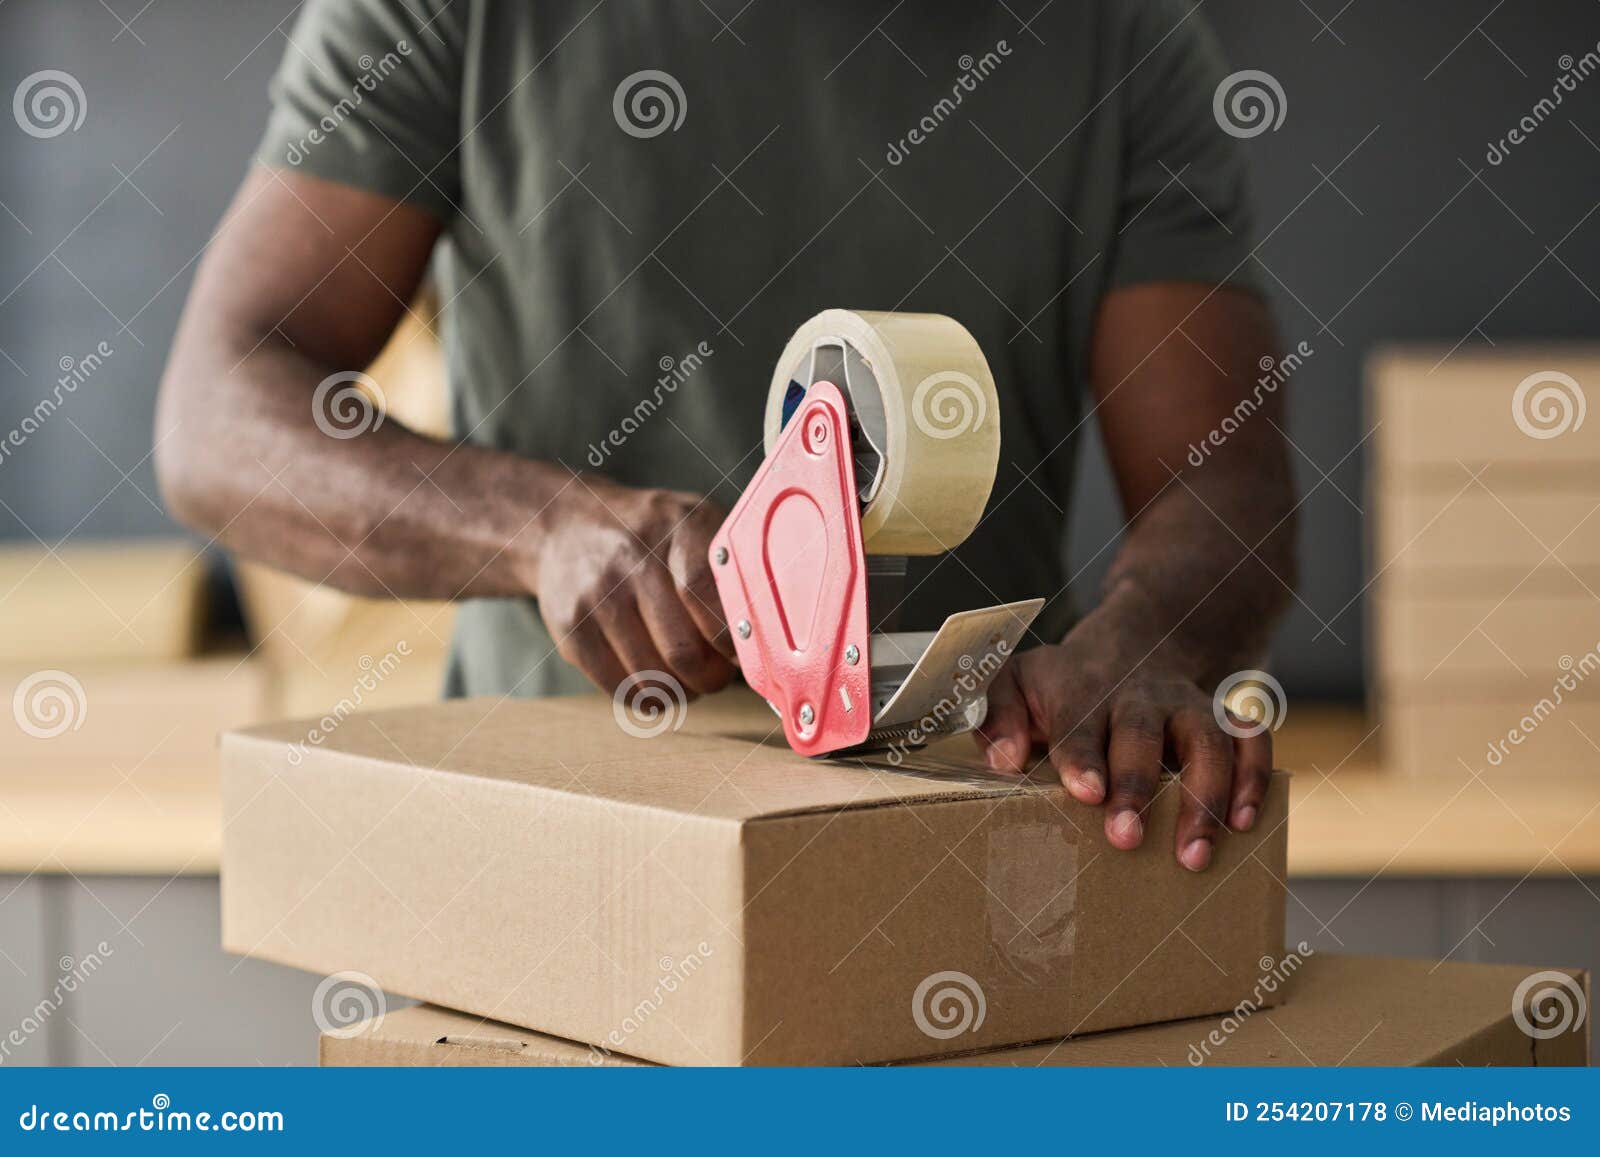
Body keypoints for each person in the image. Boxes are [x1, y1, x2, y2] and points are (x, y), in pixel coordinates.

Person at [155, 0, 1297, 872]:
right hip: (562, 834)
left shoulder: (1120, 33)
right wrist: (545, 529)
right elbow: (217, 407)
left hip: (966, 822)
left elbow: (1226, 474)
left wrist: (1150, 636)